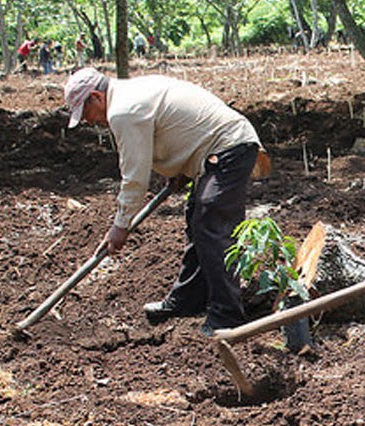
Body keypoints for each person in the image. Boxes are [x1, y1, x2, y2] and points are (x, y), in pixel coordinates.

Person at [63, 67, 271, 337]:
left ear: (96, 97)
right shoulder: (129, 93)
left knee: (212, 223)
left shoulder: (123, 110)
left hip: (229, 145)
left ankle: (227, 315)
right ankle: (188, 300)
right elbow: (180, 126)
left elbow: (134, 178)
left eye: (85, 113)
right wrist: (183, 170)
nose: (89, 122)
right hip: (214, 149)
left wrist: (121, 225)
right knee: (199, 220)